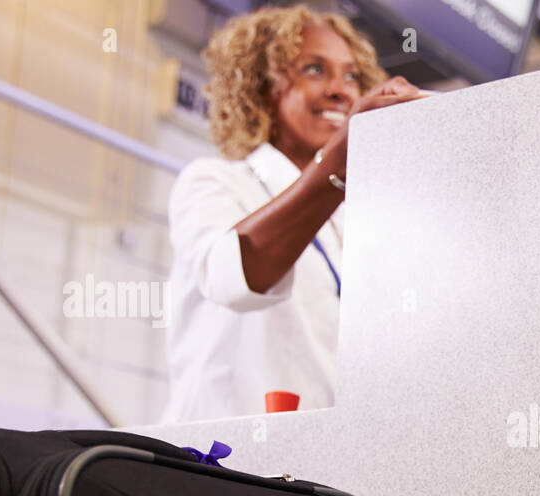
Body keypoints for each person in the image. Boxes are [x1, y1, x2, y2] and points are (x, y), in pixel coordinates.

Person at [161, 4, 423, 422]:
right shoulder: (213, 183)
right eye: (315, 70)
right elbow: (232, 278)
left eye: (351, 75)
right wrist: (337, 166)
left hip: (317, 464)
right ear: (265, 88)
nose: (340, 90)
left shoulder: (353, 217)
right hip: (217, 464)